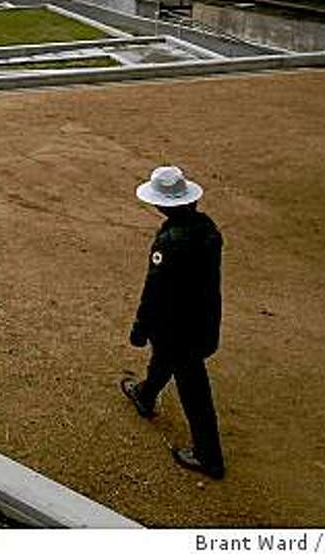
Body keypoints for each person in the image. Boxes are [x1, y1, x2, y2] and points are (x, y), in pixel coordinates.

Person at [121, 165, 226, 479]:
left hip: (176, 324)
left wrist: (140, 327)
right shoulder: (208, 230)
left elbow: (155, 289)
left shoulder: (169, 242)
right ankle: (146, 394)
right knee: (168, 358)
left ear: (162, 205)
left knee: (194, 389)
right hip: (204, 318)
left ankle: (210, 457)